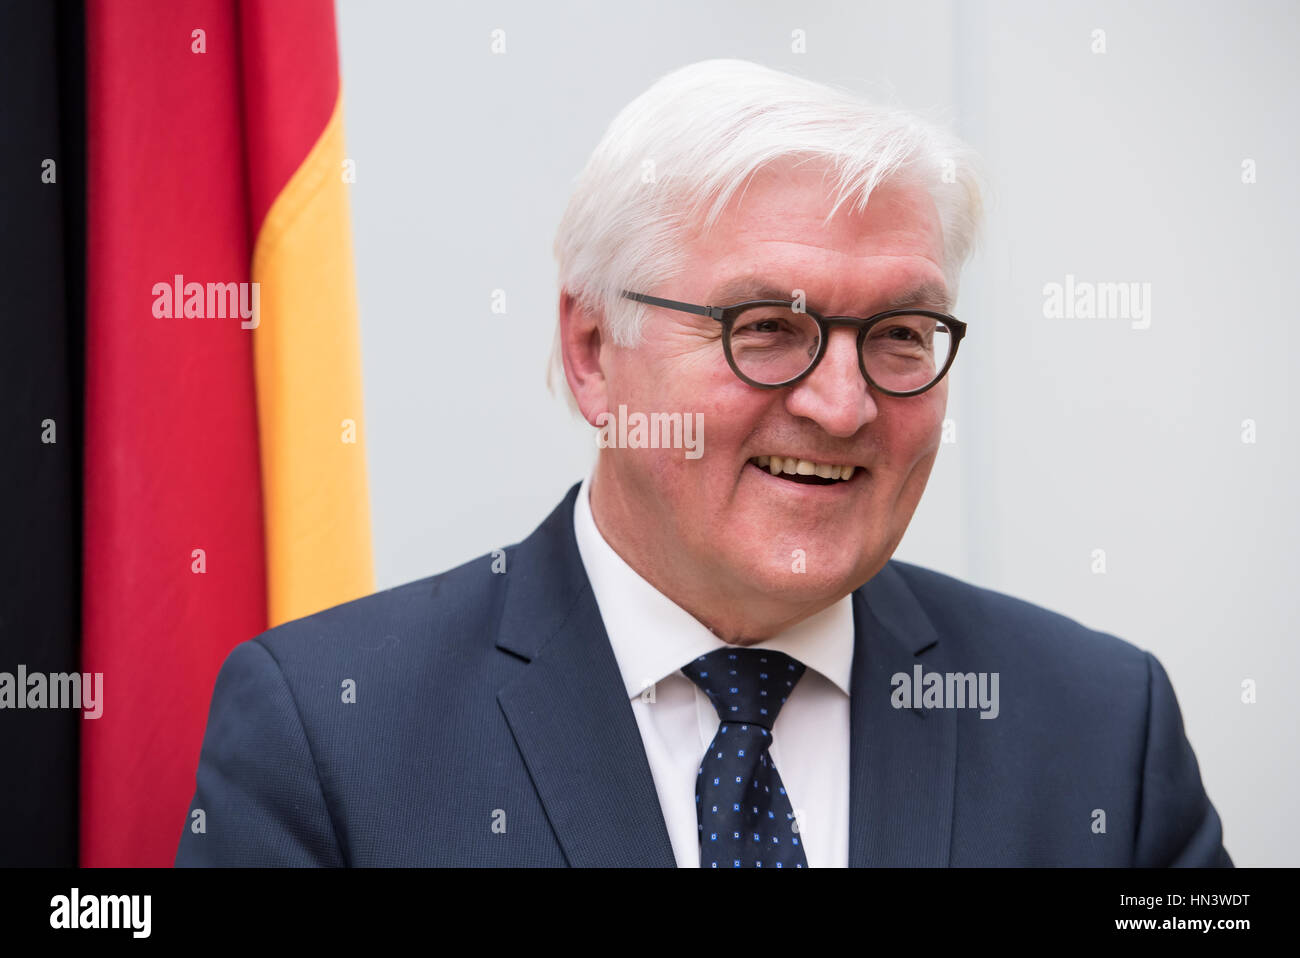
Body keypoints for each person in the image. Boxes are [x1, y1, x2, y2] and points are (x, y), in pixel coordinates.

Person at [175, 59, 1230, 867]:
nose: (843, 403)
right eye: (766, 326)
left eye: (902, 333)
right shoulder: (327, 728)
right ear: (593, 353)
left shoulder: (1098, 728)